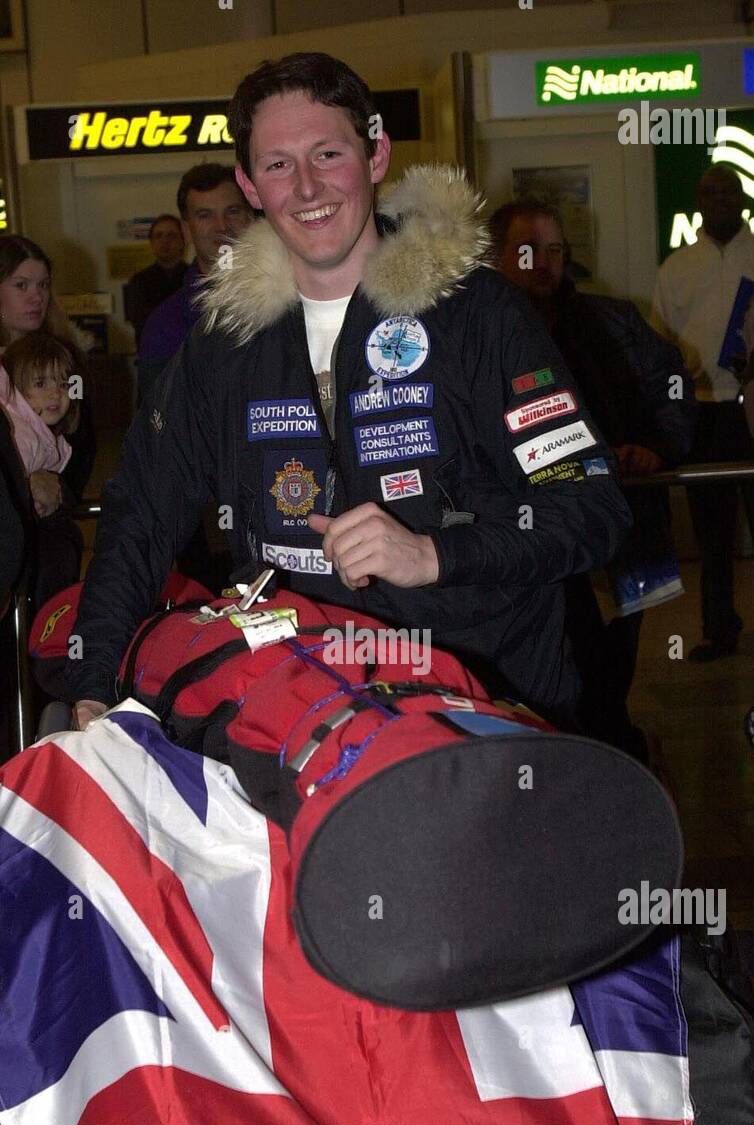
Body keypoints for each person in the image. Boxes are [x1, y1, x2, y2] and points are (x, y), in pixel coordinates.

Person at [67, 51, 631, 733]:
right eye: (278, 165)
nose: (306, 188)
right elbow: (140, 517)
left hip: (484, 713)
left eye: (328, 153)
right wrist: (94, 682)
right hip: (303, 718)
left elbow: (591, 507)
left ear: (375, 154)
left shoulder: (477, 315)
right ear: (250, 185)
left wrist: (434, 555)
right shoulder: (226, 343)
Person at [490, 198, 696, 759]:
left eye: (555, 250)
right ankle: (592, 759)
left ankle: (613, 756)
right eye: (528, 250)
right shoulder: (481, 331)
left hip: (623, 528)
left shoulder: (613, 321)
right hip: (537, 535)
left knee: (617, 658)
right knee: (563, 664)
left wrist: (655, 446)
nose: (543, 263)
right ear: (497, 255)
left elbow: (669, 384)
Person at [652, 166, 754, 661]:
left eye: (727, 191)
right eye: (709, 193)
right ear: (698, 201)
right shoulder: (676, 268)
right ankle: (719, 630)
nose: (718, 200)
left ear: (742, 197)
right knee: (712, 534)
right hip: (707, 414)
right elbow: (661, 343)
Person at [0, 236, 95, 608]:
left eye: (42, 285)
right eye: (20, 285)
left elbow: (82, 437)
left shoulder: (68, 359)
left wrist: (55, 483)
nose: (35, 296)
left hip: (50, 521)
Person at [137, 165, 253, 400]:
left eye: (232, 211)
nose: (222, 226)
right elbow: (157, 426)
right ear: (186, 230)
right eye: (204, 215)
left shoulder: (292, 302)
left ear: (250, 217)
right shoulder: (165, 326)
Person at [123, 214, 186, 348]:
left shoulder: (195, 277)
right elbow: (140, 322)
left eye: (171, 235)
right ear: (151, 243)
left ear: (182, 241)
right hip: (153, 354)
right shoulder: (138, 281)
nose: (165, 241)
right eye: (159, 236)